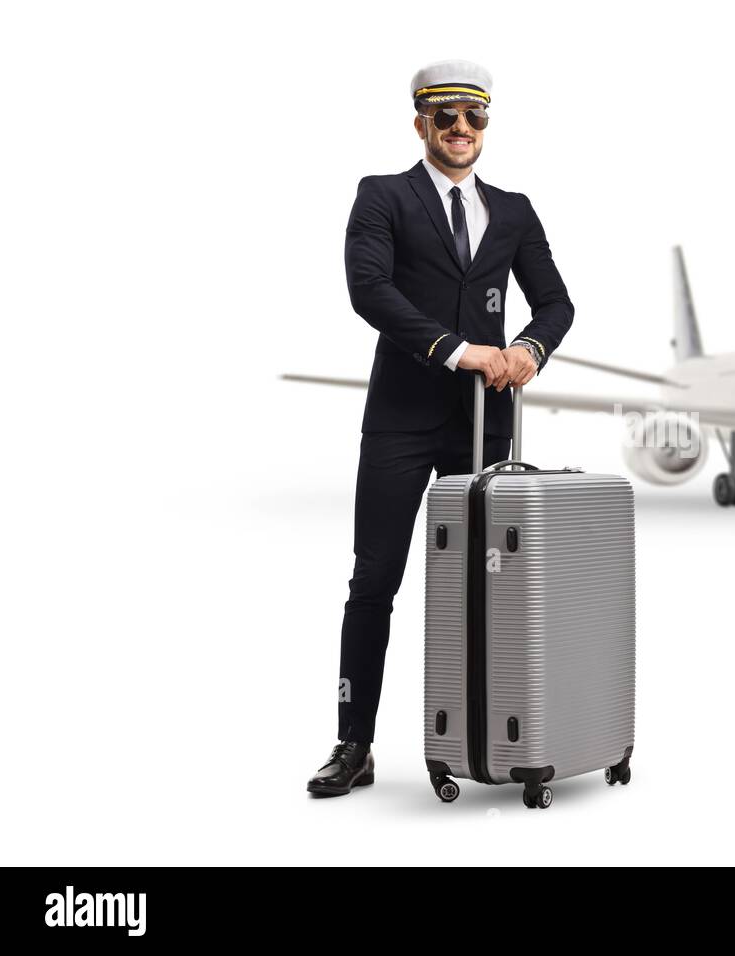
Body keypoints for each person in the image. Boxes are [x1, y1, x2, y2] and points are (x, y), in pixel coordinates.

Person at [308, 59, 574, 795]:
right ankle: (353, 744)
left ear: (487, 123)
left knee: (497, 585)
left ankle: (498, 733)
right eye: (446, 116)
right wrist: (456, 350)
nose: (461, 130)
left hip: (484, 425)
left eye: (475, 117)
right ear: (421, 122)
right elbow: (370, 289)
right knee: (376, 580)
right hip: (402, 417)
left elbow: (556, 302)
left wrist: (527, 348)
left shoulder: (514, 209)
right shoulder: (383, 196)